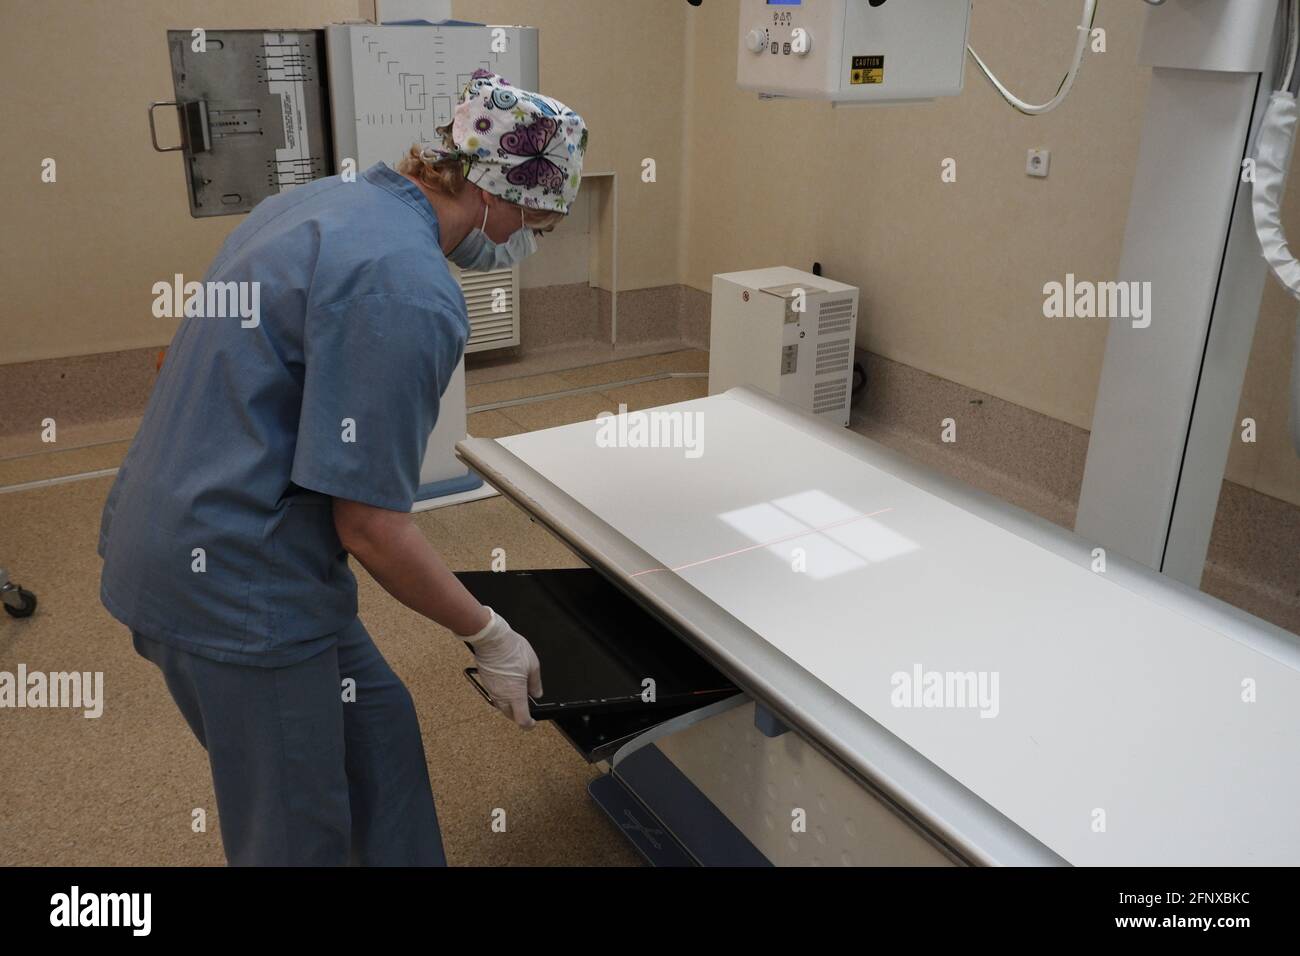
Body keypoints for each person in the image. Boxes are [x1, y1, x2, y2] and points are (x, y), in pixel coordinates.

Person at [97, 71, 588, 865]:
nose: (531, 240)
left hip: (193, 523)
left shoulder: (320, 202)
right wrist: (489, 634)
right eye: (540, 221)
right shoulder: (408, 288)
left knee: (379, 734)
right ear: (498, 190)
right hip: (235, 584)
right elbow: (369, 526)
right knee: (295, 832)